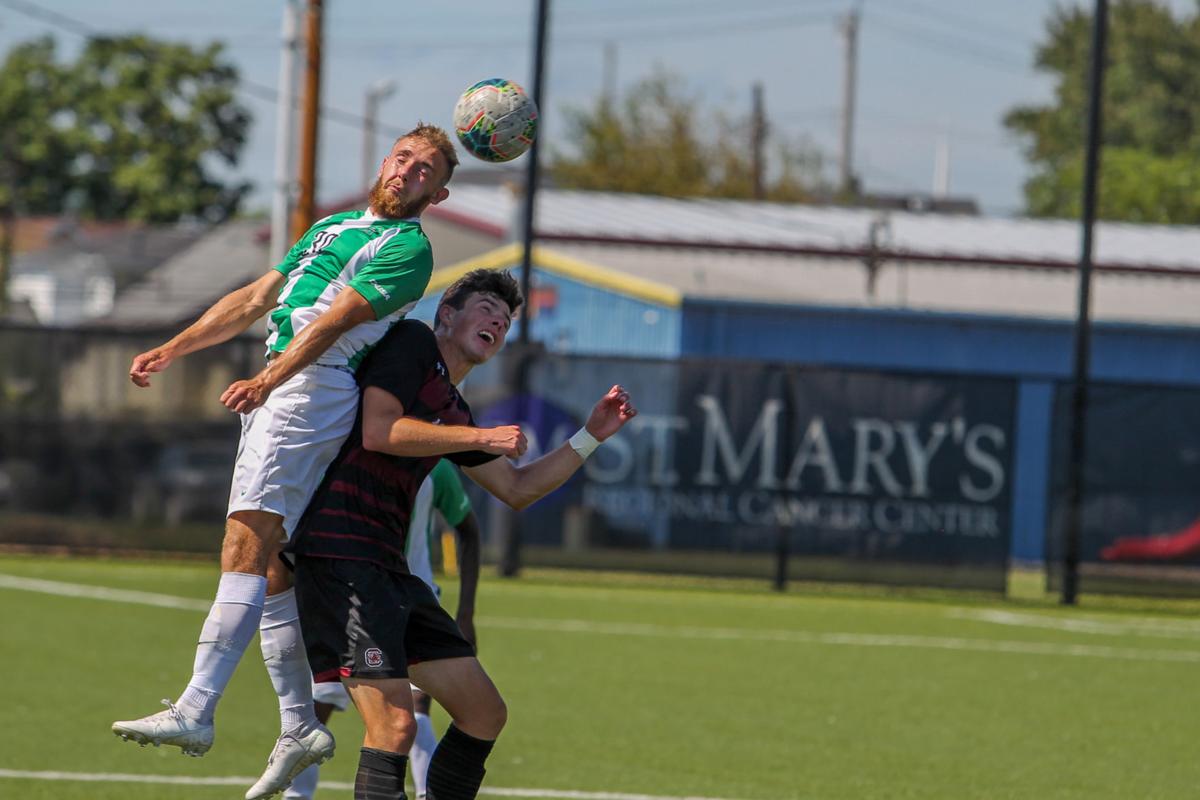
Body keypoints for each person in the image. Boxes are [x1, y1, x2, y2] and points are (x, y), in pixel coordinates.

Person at [111, 124, 459, 800]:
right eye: (403, 158)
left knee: (243, 545)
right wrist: (173, 347)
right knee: (269, 564)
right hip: (284, 388)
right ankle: (299, 725)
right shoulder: (331, 228)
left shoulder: (408, 249)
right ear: (385, 160)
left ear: (437, 194)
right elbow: (254, 298)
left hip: (310, 390)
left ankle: (196, 708)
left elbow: (333, 324)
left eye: (425, 171)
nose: (408, 172)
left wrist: (269, 381)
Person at [285, 268, 636, 800]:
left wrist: (591, 436)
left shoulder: (451, 406)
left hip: (389, 570)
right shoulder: (412, 344)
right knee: (395, 728)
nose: (498, 319)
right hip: (340, 556)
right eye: (486, 307)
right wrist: (480, 435)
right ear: (446, 315)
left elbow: (516, 489)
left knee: (484, 713)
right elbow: (381, 430)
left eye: (507, 317)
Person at [285, 459, 481, 800]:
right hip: (354, 600)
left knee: (417, 712)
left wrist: (465, 614)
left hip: (416, 601)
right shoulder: (348, 451)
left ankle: (425, 791)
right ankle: (296, 795)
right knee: (321, 705)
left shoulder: (439, 467)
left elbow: (468, 527)